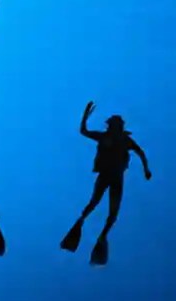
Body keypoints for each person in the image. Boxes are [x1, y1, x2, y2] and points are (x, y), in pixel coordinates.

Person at [60, 101, 151, 266]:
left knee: (111, 212)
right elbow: (83, 131)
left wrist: (146, 169)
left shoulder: (125, 140)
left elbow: (141, 153)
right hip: (107, 175)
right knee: (95, 203)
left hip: (116, 177)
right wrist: (85, 115)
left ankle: (101, 233)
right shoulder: (107, 137)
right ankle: (83, 222)